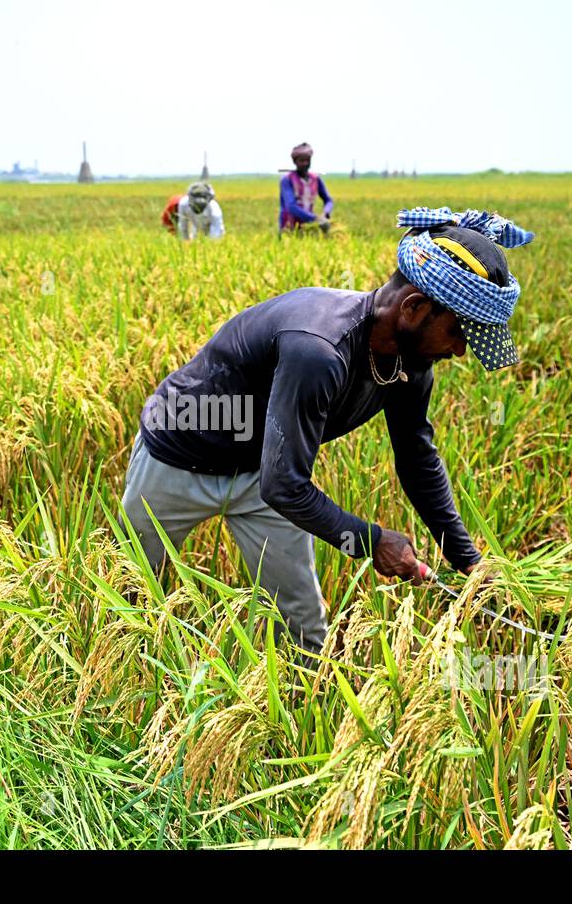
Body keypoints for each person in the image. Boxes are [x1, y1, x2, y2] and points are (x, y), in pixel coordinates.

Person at [121, 206, 533, 661]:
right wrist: (371, 542)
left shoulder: (411, 365)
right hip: (178, 454)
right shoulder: (319, 349)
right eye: (458, 332)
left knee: (303, 629)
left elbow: (415, 457)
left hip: (263, 474)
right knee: (132, 599)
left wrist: (469, 561)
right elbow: (285, 485)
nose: (460, 350)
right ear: (414, 308)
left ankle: (296, 712)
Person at [279, 142, 333, 234]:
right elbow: (291, 207)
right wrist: (315, 218)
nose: (305, 163)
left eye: (308, 160)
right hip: (289, 227)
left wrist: (325, 213)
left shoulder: (315, 179)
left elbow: (328, 200)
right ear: (295, 162)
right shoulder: (287, 180)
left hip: (308, 227)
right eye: (301, 161)